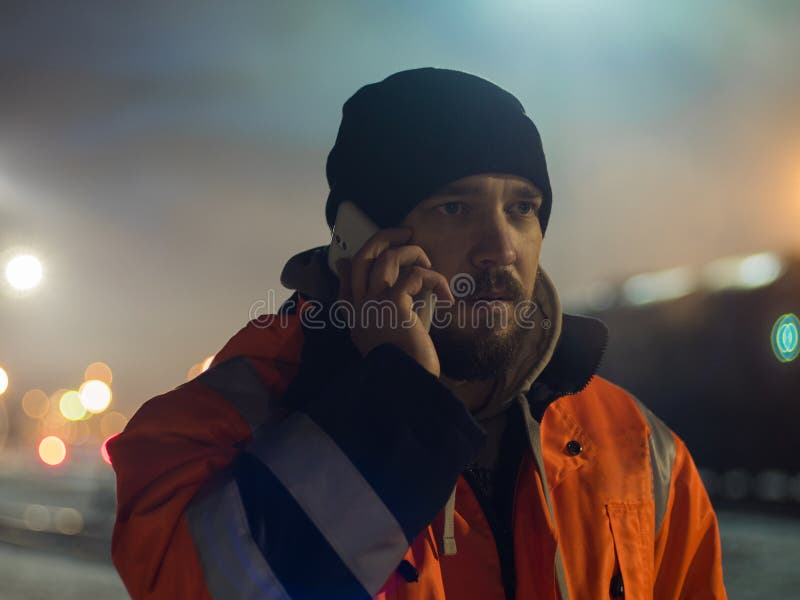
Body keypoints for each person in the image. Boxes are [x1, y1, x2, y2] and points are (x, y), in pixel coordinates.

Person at [109, 67, 727, 599]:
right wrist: (396, 404)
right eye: (454, 207)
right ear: (358, 238)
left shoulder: (641, 447)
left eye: (522, 208)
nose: (501, 250)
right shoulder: (208, 429)